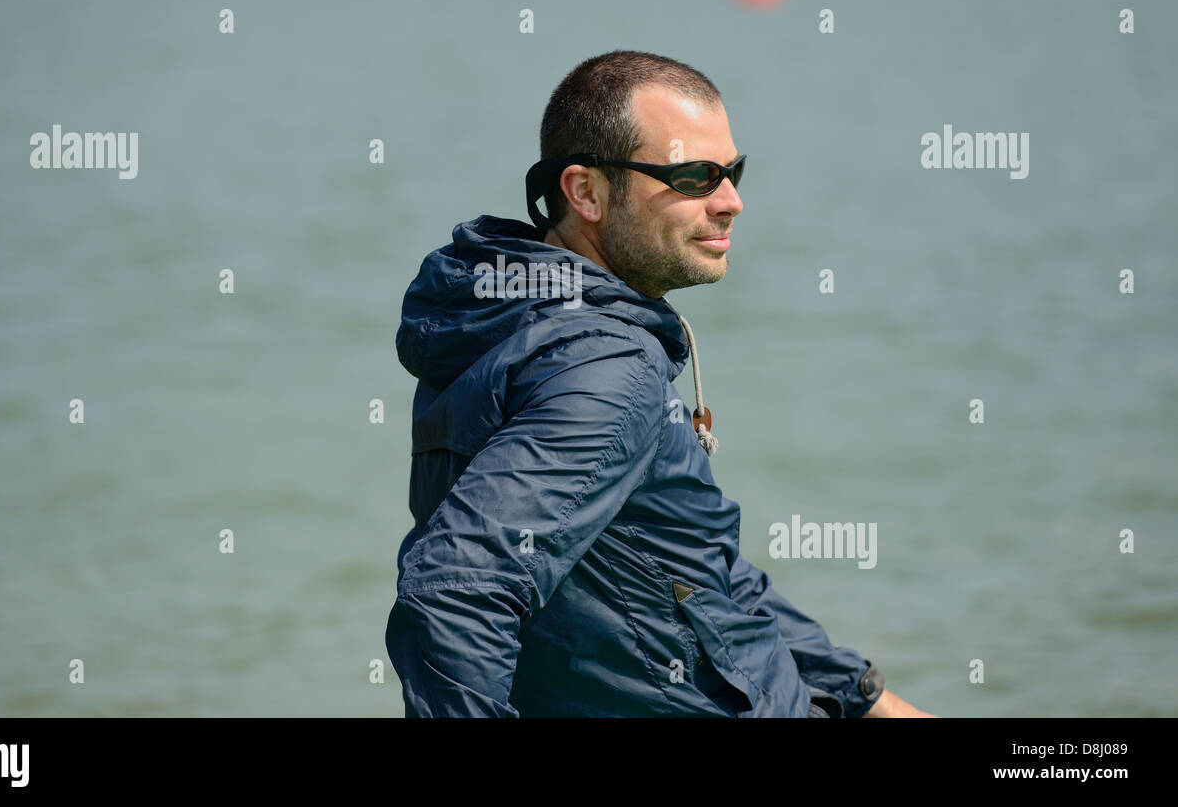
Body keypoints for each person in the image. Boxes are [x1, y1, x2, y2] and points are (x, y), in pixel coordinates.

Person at [385, 50, 933, 717]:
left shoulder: (508, 318)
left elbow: (696, 568)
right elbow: (454, 591)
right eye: (695, 176)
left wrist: (864, 697)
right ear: (584, 191)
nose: (731, 201)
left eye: (733, 172)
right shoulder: (608, 367)